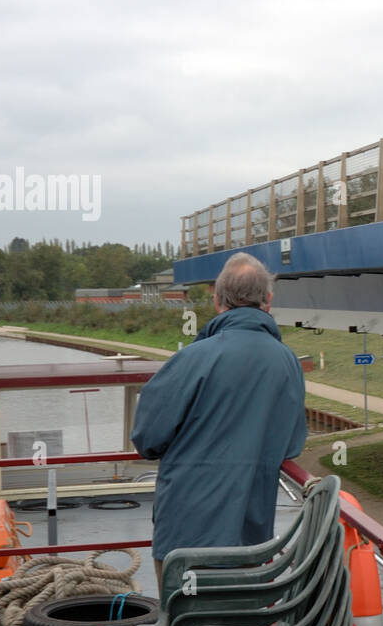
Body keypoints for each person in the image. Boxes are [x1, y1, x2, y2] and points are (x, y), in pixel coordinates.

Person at [131, 252, 307, 591]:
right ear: (268, 301)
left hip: (184, 538)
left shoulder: (192, 358)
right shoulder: (288, 363)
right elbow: (292, 444)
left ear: (216, 300)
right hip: (251, 540)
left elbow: (147, 438)